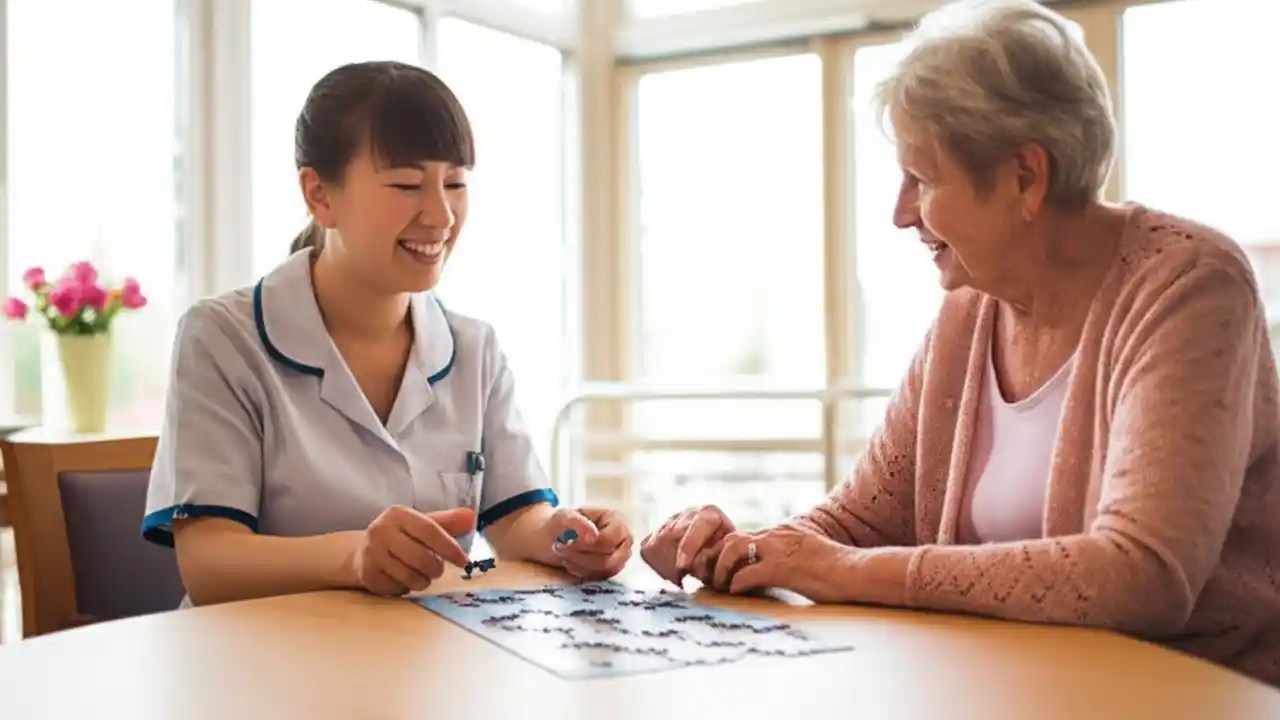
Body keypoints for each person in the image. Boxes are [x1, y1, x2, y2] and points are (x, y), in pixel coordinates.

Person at [641, 0, 1280, 685]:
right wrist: (744, 549)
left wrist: (845, 571)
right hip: (1005, 688)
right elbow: (858, 524)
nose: (899, 213)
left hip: (1187, 693)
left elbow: (1143, 574)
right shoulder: (969, 312)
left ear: (1024, 178)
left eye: (922, 179)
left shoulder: (1188, 287)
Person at [143, 61, 632, 605]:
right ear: (319, 195)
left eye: (455, 183)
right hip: (261, 663)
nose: (442, 215)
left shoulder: (474, 349)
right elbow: (210, 563)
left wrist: (570, 536)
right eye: (406, 184)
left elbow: (516, 518)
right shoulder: (221, 338)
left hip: (428, 656)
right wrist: (356, 556)